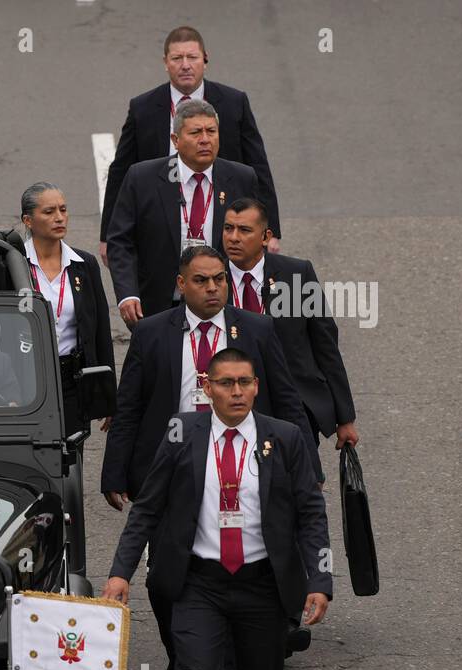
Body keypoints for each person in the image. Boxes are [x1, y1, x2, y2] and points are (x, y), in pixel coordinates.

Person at [102, 348, 331, 670]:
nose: (236, 393)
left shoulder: (284, 439)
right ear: (207, 388)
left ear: (255, 386)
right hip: (199, 586)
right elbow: (147, 508)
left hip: (263, 588)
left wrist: (320, 579)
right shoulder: (182, 433)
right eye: (225, 383)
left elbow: (311, 513)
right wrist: (121, 572)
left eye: (245, 383)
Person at [100, 245, 319, 670]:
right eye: (201, 280)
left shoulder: (255, 330)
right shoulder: (153, 333)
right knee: (166, 580)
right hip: (172, 470)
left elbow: (287, 398)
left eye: (219, 278)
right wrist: (116, 472)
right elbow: (130, 407)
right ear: (181, 285)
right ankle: (187, 657)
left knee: (232, 578)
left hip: (239, 464)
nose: (213, 287)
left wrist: (307, 467)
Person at [99, 25, 281, 265]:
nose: (185, 65)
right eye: (177, 58)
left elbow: (258, 166)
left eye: (192, 57)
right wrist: (107, 236)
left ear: (205, 60)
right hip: (162, 212)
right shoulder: (142, 108)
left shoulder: (233, 103)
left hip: (219, 210)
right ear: (166, 62)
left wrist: (272, 230)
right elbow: (121, 171)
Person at [106, 99, 259, 329]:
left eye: (211, 131)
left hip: (221, 303)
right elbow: (120, 241)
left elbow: (253, 242)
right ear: (175, 140)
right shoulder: (142, 178)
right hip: (158, 304)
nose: (205, 139)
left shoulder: (241, 178)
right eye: (196, 132)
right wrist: (128, 294)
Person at [222, 198, 359, 449]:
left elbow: (325, 345)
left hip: (295, 407)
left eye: (244, 230)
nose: (233, 237)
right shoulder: (209, 279)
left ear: (265, 237)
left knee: (301, 484)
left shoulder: (297, 274)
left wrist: (345, 417)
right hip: (231, 406)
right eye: (228, 228)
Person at [0, 183, 115, 434]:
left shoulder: (84, 264)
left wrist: (106, 394)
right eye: (49, 212)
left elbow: (99, 332)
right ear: (28, 220)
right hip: (23, 376)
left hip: (72, 378)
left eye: (63, 210)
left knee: (70, 455)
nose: (59, 218)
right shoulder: (9, 264)